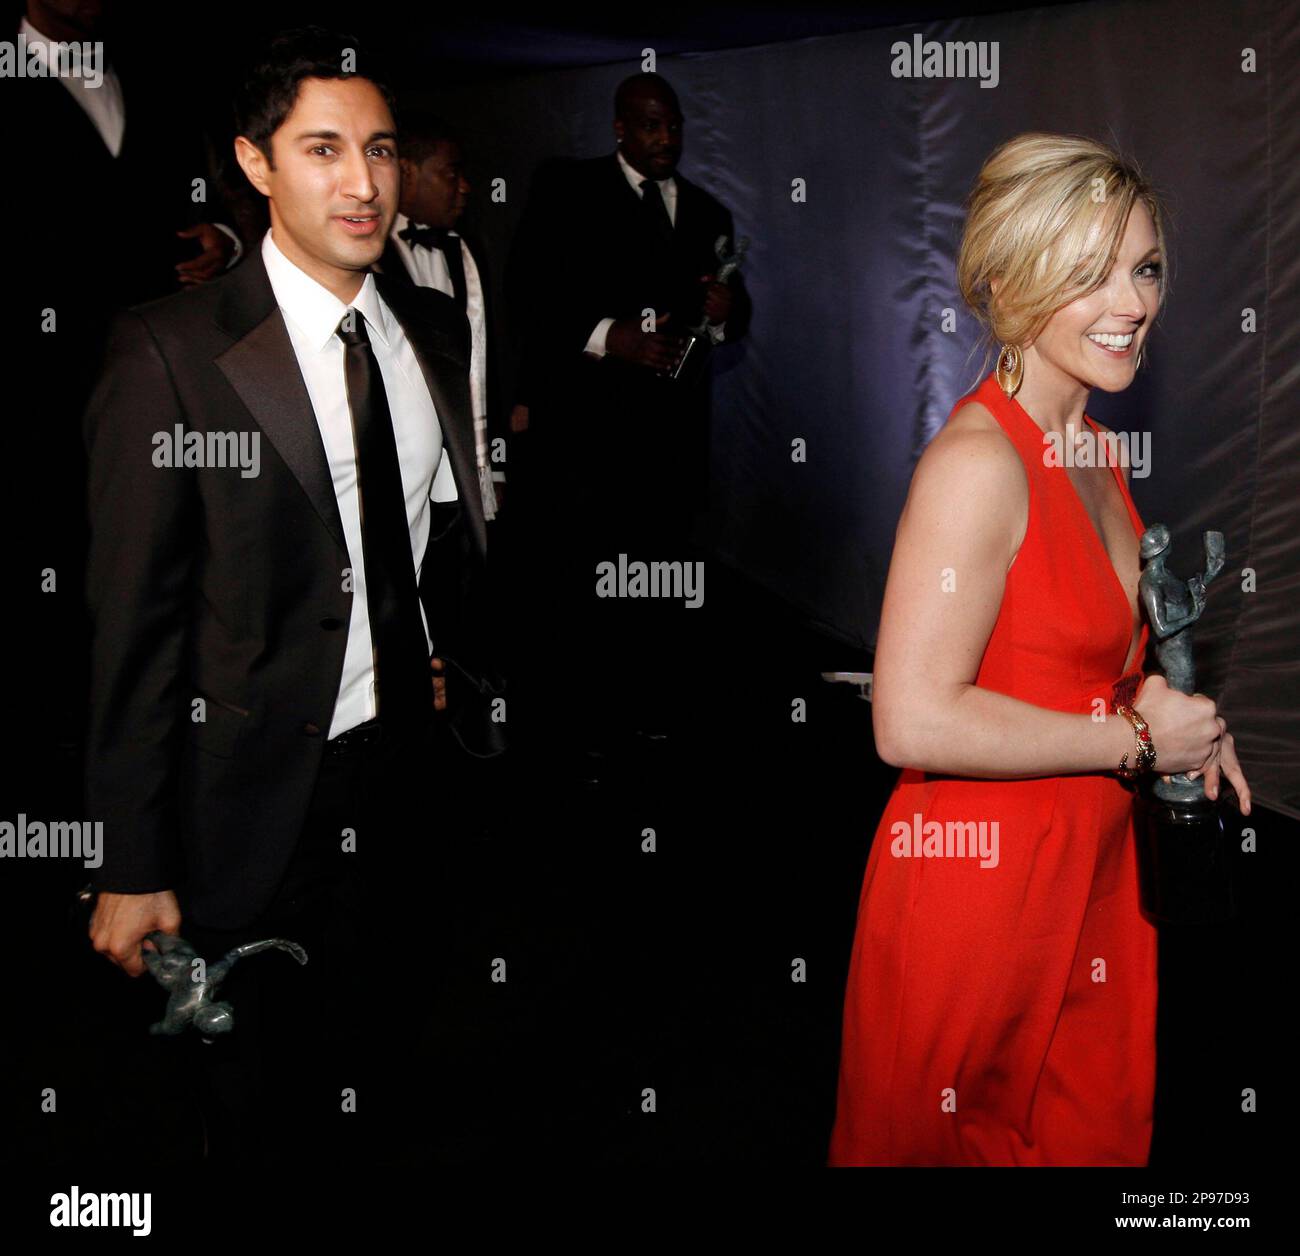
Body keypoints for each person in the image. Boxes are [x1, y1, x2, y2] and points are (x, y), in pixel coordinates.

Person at [82, 26, 503, 1165]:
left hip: (406, 765)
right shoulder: (167, 352)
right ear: (254, 164)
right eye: (321, 149)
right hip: (249, 794)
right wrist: (130, 858)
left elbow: (433, 540)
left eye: (378, 148)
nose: (362, 182)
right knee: (252, 1096)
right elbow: (133, 626)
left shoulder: (429, 323)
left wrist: (429, 655)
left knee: (383, 1047)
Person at [828, 133, 1251, 1167]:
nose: (1132, 301)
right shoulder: (978, 462)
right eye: (1089, 272)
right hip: (979, 884)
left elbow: (1080, 651)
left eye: (1144, 266)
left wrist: (1176, 718)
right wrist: (1137, 742)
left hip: (1092, 865)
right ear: (1012, 279)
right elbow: (909, 716)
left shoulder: (1092, 443)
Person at [507, 71, 752, 770]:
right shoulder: (567, 188)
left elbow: (734, 314)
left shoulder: (709, 211)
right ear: (620, 128)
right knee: (583, 581)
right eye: (649, 125)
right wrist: (607, 335)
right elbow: (529, 294)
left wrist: (726, 316)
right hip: (586, 435)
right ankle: (576, 724)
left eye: (672, 125)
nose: (664, 137)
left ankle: (653, 715)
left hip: (669, 439)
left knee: (660, 578)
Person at [376, 111, 508, 523]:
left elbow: (489, 356)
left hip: (470, 460)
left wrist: (495, 464)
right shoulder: (367, 253)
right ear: (407, 172)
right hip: (397, 471)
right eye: (451, 173)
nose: (464, 187)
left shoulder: (469, 248)